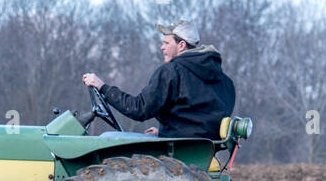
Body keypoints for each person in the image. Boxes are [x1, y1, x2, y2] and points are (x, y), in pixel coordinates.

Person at [81, 20, 236, 139]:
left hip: (179, 150)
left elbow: (138, 109)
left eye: (166, 43)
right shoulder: (225, 82)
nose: (162, 47)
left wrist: (102, 86)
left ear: (181, 45)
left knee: (109, 139)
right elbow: (199, 120)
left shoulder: (172, 72)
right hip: (199, 148)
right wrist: (164, 132)